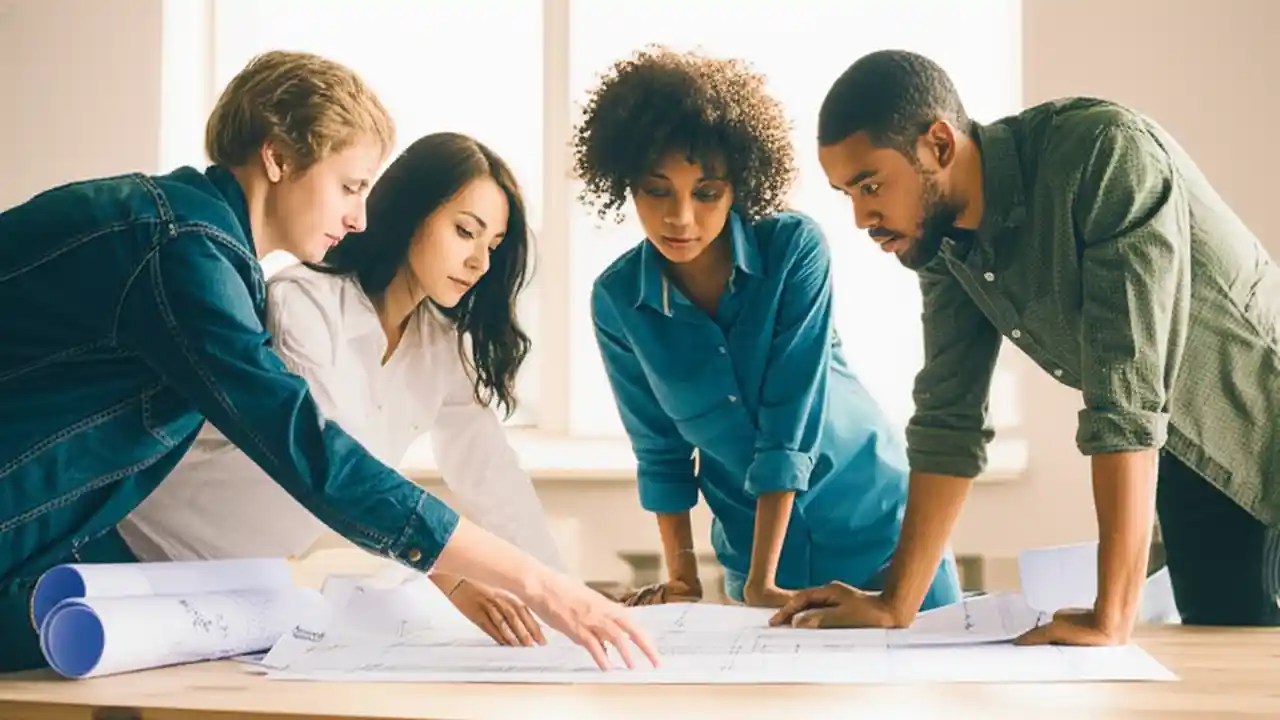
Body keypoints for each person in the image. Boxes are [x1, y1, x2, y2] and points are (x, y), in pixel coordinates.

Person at [0, 50, 656, 672]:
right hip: (107, 551)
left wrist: (562, 590)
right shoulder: (187, 254)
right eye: (349, 186)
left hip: (107, 553)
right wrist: (523, 582)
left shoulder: (206, 252)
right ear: (279, 157)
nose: (361, 216)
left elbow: (486, 474)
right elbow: (315, 456)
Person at [772, 49, 1280, 643]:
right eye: (846, 194)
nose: (861, 216)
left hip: (1261, 420)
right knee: (1227, 674)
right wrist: (895, 604)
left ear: (938, 144)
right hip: (1191, 461)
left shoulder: (1104, 156)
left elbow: (1127, 396)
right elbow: (948, 416)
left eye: (871, 184)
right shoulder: (943, 244)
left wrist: (1110, 617)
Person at [119, 132, 563, 648]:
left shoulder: (440, 348)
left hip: (235, 586)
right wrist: (452, 576)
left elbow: (494, 480)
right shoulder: (303, 301)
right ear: (410, 210)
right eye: (466, 231)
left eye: (493, 246)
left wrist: (567, 596)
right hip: (135, 556)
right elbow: (337, 467)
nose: (480, 263)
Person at [575, 47, 961, 610]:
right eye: (657, 190)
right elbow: (660, 452)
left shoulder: (792, 251)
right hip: (750, 562)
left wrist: (765, 579)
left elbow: (788, 427)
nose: (680, 217)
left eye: (706, 193)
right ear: (624, 184)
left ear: (738, 188)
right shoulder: (617, 302)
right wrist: (685, 578)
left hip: (882, 539)